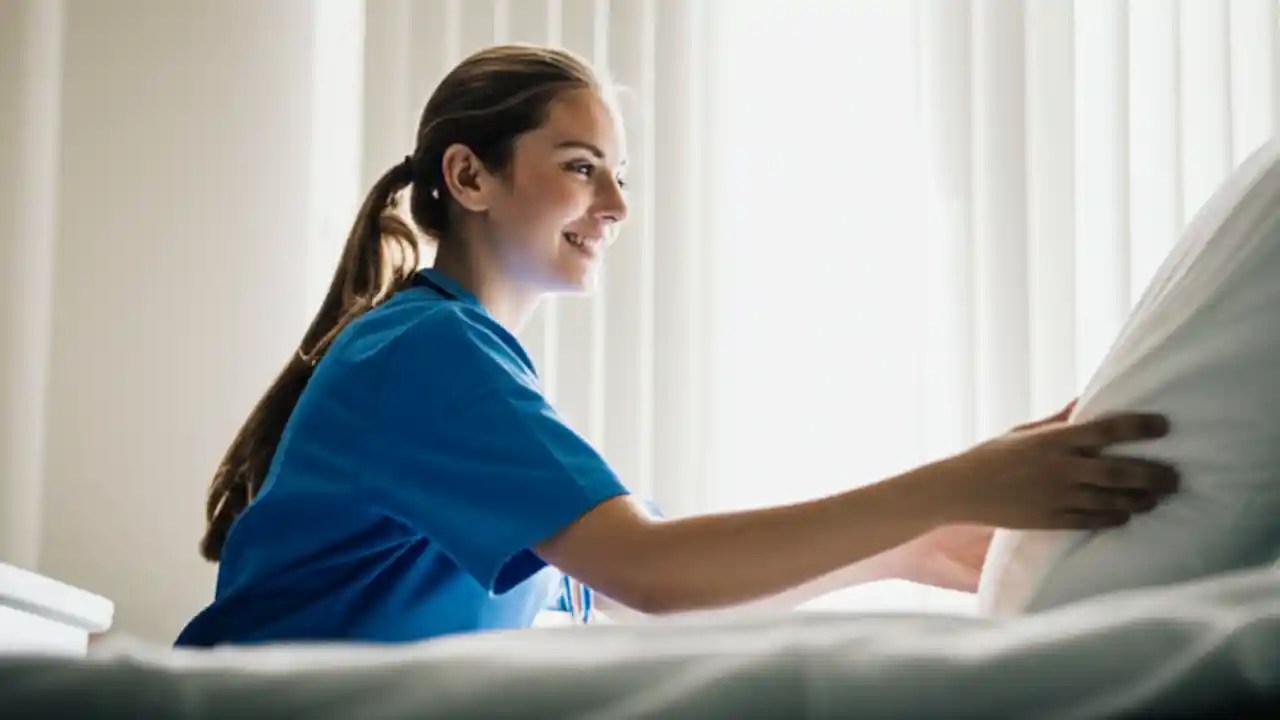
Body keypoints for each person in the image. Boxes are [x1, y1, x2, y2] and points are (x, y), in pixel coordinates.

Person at [175, 45, 1179, 646]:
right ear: (469, 178)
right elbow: (648, 572)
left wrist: (915, 546)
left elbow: (655, 594)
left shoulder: (457, 364)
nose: (616, 204)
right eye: (581, 168)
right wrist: (949, 486)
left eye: (620, 173)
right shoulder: (426, 354)